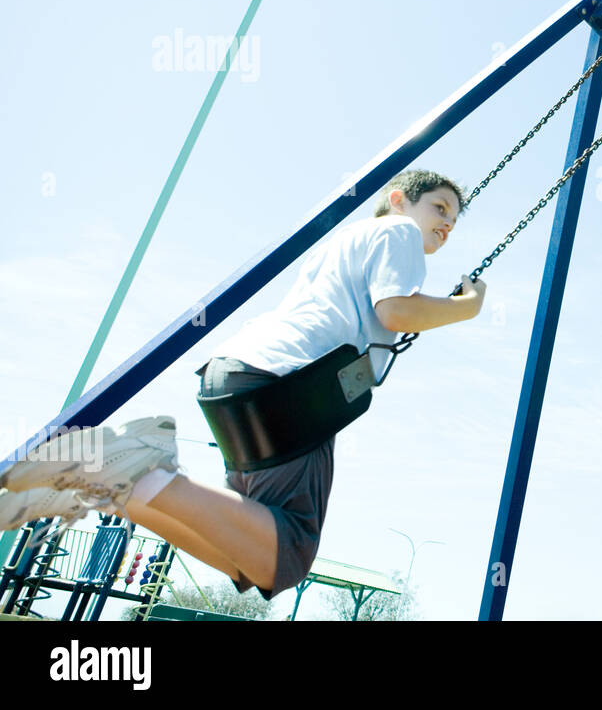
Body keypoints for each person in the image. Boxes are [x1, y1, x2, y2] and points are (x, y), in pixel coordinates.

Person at [0, 169, 487, 600]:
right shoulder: (396, 231)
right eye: (439, 207)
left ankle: (97, 486)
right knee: (288, 549)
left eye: (454, 219)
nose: (446, 223)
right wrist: (468, 307)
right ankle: (130, 463)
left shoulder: (347, 243)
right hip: (292, 389)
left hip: (240, 376)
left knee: (245, 556)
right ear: (399, 199)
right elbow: (397, 310)